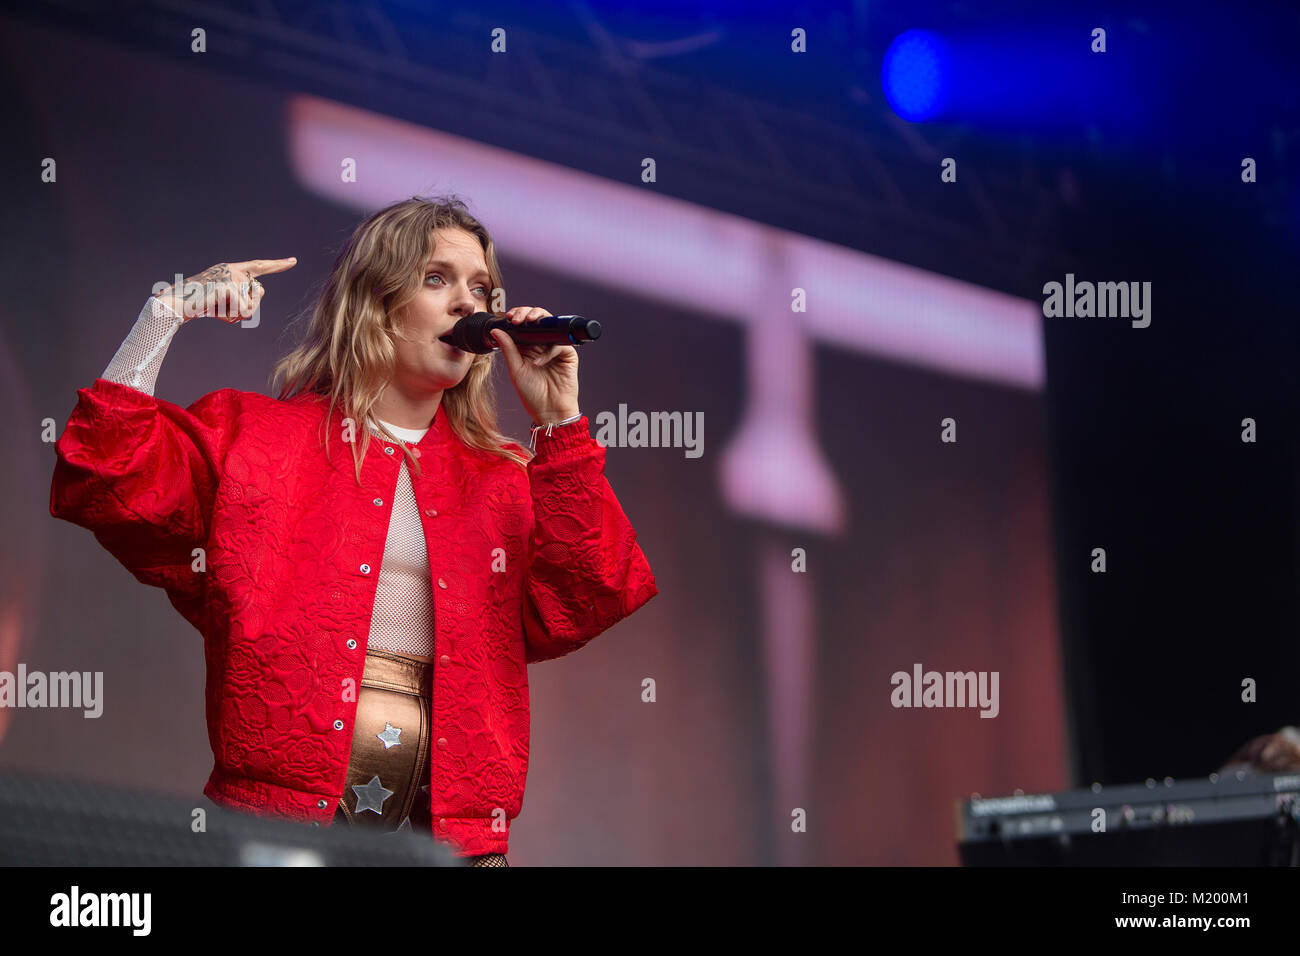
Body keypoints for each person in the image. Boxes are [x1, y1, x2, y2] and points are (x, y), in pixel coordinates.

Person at [49, 195, 659, 866]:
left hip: (459, 848)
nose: (468, 302)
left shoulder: (503, 479)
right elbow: (106, 471)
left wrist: (559, 424)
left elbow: (591, 592)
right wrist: (164, 314)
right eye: (437, 279)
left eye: (482, 288)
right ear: (375, 303)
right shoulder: (256, 441)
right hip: (278, 838)